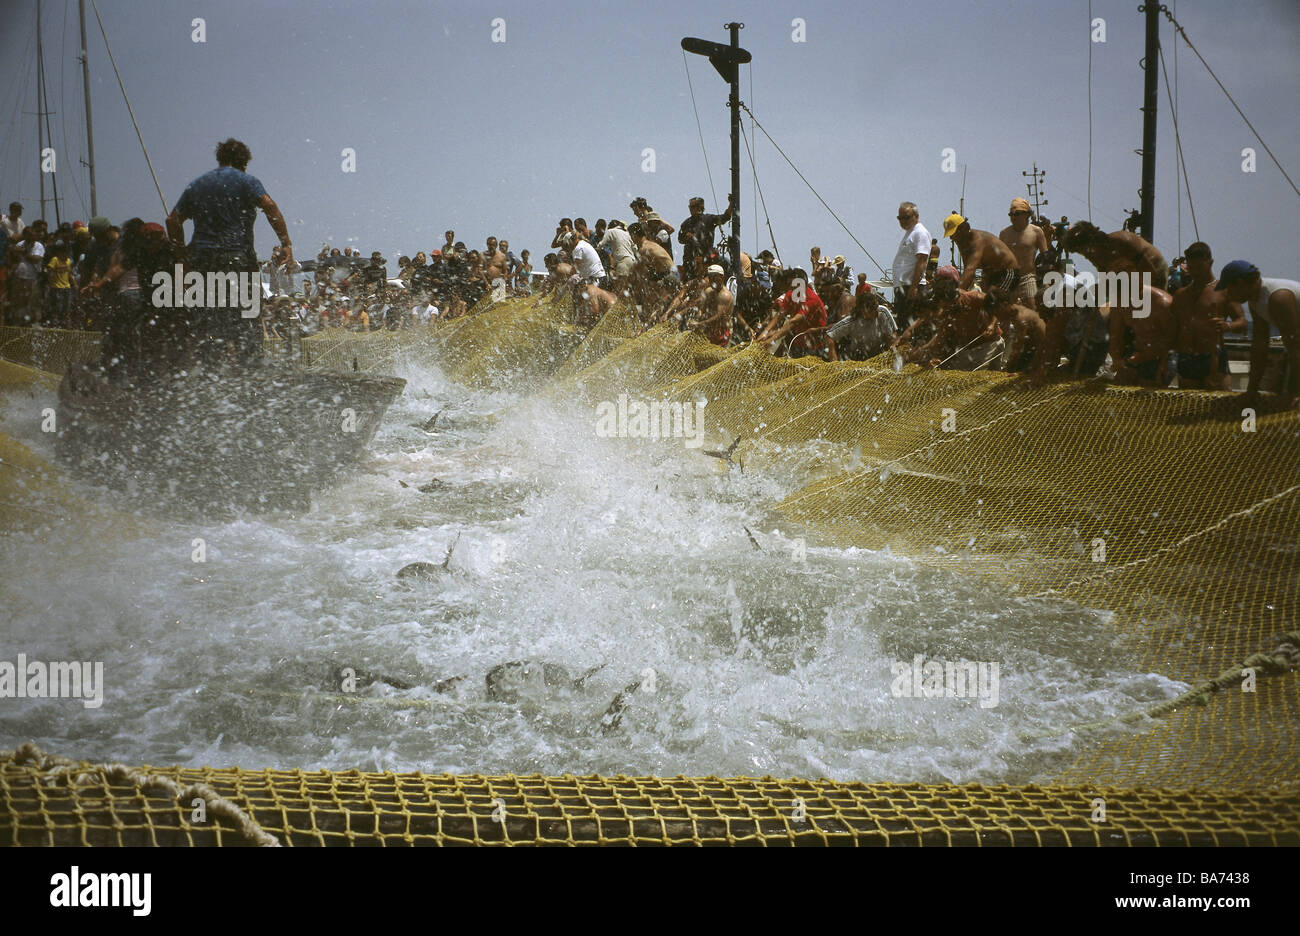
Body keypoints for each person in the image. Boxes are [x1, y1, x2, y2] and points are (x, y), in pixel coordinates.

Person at [166, 138, 293, 364]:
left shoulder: (197, 184)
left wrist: (181, 258)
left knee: (208, 327)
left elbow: (173, 221)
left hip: (203, 263)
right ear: (243, 162)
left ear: (221, 159)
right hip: (238, 260)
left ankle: (208, 382)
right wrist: (286, 243)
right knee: (247, 326)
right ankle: (250, 380)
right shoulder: (247, 181)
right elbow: (270, 206)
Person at [1215, 261, 1298, 409]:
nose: (1227, 295)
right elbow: (1260, 345)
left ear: (1240, 283)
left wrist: (1294, 392)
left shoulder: (1278, 298)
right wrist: (1251, 389)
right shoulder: (1255, 301)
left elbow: (1296, 347)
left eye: (1228, 289)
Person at [1171, 243, 1245, 389]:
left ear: (1210, 263)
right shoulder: (1180, 295)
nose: (1195, 272)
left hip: (1213, 358)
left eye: (1199, 268)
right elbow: (1172, 328)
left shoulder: (1224, 291)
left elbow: (1242, 323)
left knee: (1218, 407)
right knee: (1188, 407)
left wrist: (1227, 326)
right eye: (1191, 268)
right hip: (1186, 358)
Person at [944, 213, 1020, 307]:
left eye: (953, 234)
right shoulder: (961, 241)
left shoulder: (977, 240)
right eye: (950, 235)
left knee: (992, 299)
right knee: (980, 304)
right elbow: (967, 270)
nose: (951, 237)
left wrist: (956, 292)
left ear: (962, 228)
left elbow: (971, 269)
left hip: (1008, 272)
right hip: (989, 273)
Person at [1064, 221, 1168, 290]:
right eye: (1082, 254)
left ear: (1095, 241)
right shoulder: (1098, 258)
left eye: (1087, 251)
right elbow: (1107, 286)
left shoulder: (1122, 242)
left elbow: (1151, 275)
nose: (1087, 256)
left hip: (1155, 274)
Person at [756, 268, 830, 359]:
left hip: (814, 347)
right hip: (797, 342)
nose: (792, 289)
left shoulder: (811, 299)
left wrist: (771, 340)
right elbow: (780, 315)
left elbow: (793, 322)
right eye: (791, 285)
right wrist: (765, 332)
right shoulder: (791, 294)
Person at [998, 198, 1049, 307]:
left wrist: (1046, 281)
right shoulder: (1004, 234)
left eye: (1016, 214)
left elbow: (1046, 258)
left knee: (1032, 309)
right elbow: (999, 259)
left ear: (1027, 214)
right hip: (1009, 280)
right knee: (1006, 314)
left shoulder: (1036, 232)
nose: (1013, 217)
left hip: (1028, 277)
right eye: (1011, 214)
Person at [890, 202, 931, 329]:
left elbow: (922, 261)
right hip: (904, 287)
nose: (902, 221)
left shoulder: (920, 233)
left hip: (912, 287)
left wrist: (914, 287)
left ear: (916, 215)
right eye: (900, 218)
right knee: (903, 324)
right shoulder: (910, 233)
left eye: (906, 217)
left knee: (911, 325)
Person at [826, 289, 897, 361]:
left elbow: (893, 334)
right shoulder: (851, 321)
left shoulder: (882, 312)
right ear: (862, 310)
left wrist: (892, 348)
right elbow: (829, 336)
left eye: (876, 306)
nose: (876, 311)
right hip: (857, 357)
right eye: (872, 309)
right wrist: (834, 359)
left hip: (878, 354)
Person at [678, 195, 735, 275]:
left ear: (700, 207)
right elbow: (680, 239)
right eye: (690, 207)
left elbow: (725, 218)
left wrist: (731, 204)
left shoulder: (708, 219)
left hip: (706, 259)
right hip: (689, 262)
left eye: (693, 206)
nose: (691, 209)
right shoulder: (686, 223)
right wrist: (686, 237)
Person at [685, 264, 735, 346]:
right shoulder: (708, 291)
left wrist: (699, 324)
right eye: (710, 277)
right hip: (707, 330)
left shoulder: (725, 296)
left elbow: (718, 317)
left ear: (722, 277)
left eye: (714, 277)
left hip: (721, 333)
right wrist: (697, 319)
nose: (711, 280)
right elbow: (701, 309)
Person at [44, 240, 75, 329]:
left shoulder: (68, 261)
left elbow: (69, 274)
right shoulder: (55, 260)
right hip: (56, 287)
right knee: (57, 307)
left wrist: (74, 283)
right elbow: (49, 270)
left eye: (67, 254)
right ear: (59, 253)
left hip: (67, 287)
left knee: (67, 307)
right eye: (64, 254)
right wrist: (59, 268)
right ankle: (55, 324)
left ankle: (66, 324)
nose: (66, 256)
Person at [599, 220, 637, 285]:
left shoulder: (610, 231)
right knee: (630, 286)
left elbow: (601, 244)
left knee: (620, 287)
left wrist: (596, 248)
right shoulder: (627, 234)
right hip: (632, 261)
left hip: (622, 262)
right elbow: (635, 248)